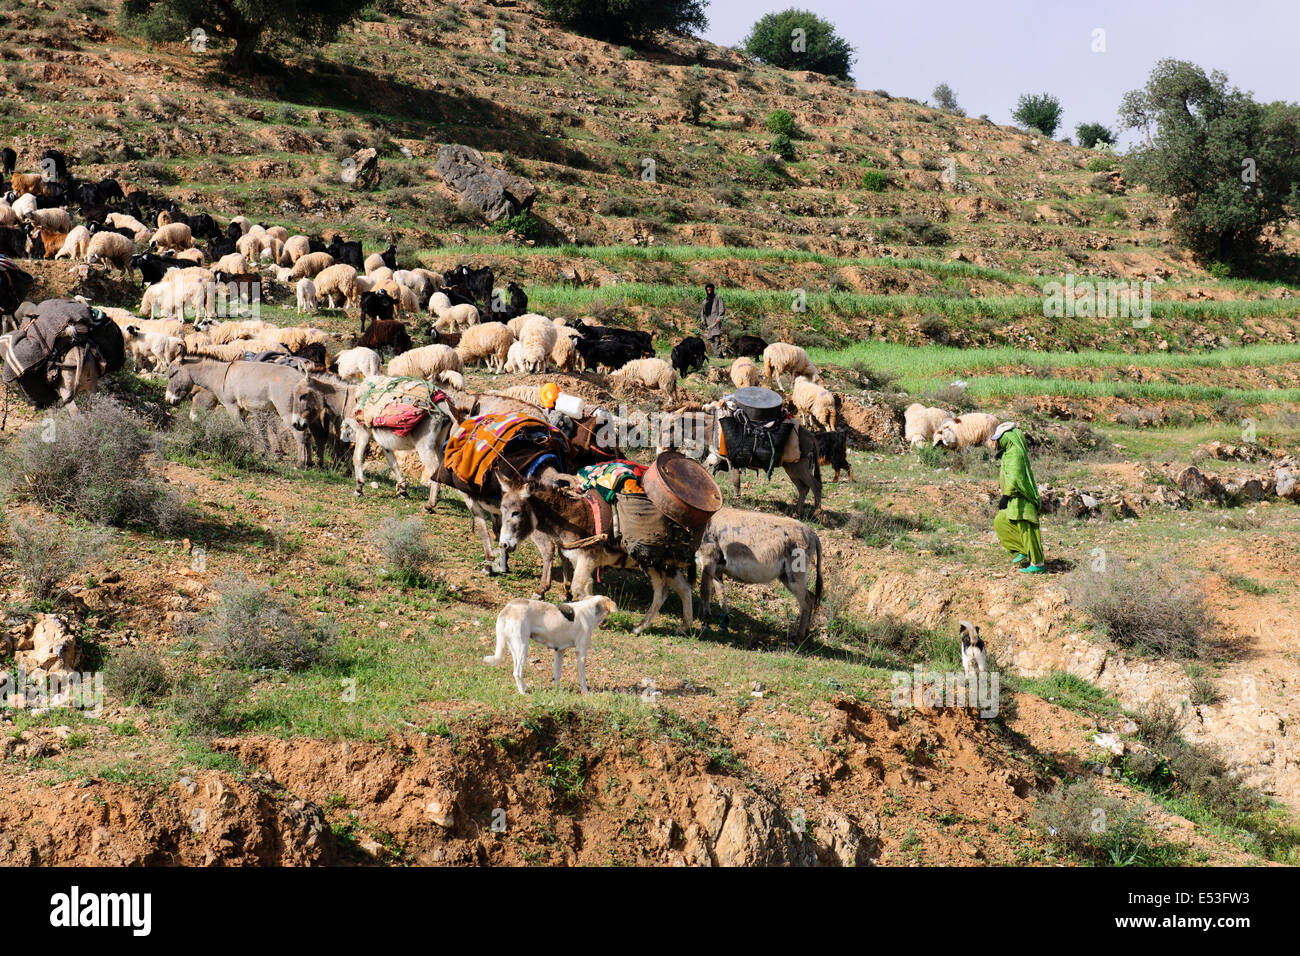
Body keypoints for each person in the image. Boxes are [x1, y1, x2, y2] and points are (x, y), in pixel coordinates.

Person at [989, 422, 1045, 574]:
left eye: (1000, 438)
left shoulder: (1016, 453)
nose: (998, 442)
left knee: (1027, 530)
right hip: (1015, 498)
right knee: (1001, 521)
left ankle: (1038, 564)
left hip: (1022, 497)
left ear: (1008, 437)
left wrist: (1006, 496)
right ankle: (1023, 549)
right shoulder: (1009, 452)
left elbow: (1015, 477)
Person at [699, 283, 726, 356]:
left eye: (710, 290)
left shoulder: (718, 298)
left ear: (713, 289)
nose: (709, 291)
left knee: (716, 339)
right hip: (709, 324)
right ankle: (719, 355)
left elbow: (722, 309)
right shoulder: (705, 301)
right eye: (708, 290)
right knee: (710, 339)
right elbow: (702, 313)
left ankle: (718, 356)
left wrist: (719, 318)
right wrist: (703, 320)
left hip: (716, 322)